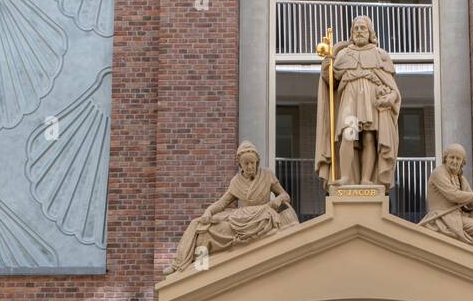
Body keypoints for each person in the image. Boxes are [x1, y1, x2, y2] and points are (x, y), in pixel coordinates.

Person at [165, 141, 299, 274]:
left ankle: (192, 265)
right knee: (199, 226)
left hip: (262, 215)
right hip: (241, 216)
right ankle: (186, 264)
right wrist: (208, 211)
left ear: (257, 162)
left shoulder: (267, 175)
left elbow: (285, 195)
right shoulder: (236, 181)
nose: (250, 166)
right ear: (240, 164)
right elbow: (223, 202)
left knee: (209, 229)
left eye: (252, 163)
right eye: (246, 163)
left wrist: (278, 199)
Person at [315, 15, 400, 190]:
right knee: (348, 134)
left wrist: (390, 98)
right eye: (356, 28)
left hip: (371, 100)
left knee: (369, 137)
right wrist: (329, 59)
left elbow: (392, 87)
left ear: (370, 32)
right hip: (349, 98)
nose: (359, 31)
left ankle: (366, 180)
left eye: (363, 28)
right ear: (351, 32)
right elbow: (331, 79)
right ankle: (345, 176)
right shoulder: (345, 54)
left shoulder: (380, 55)